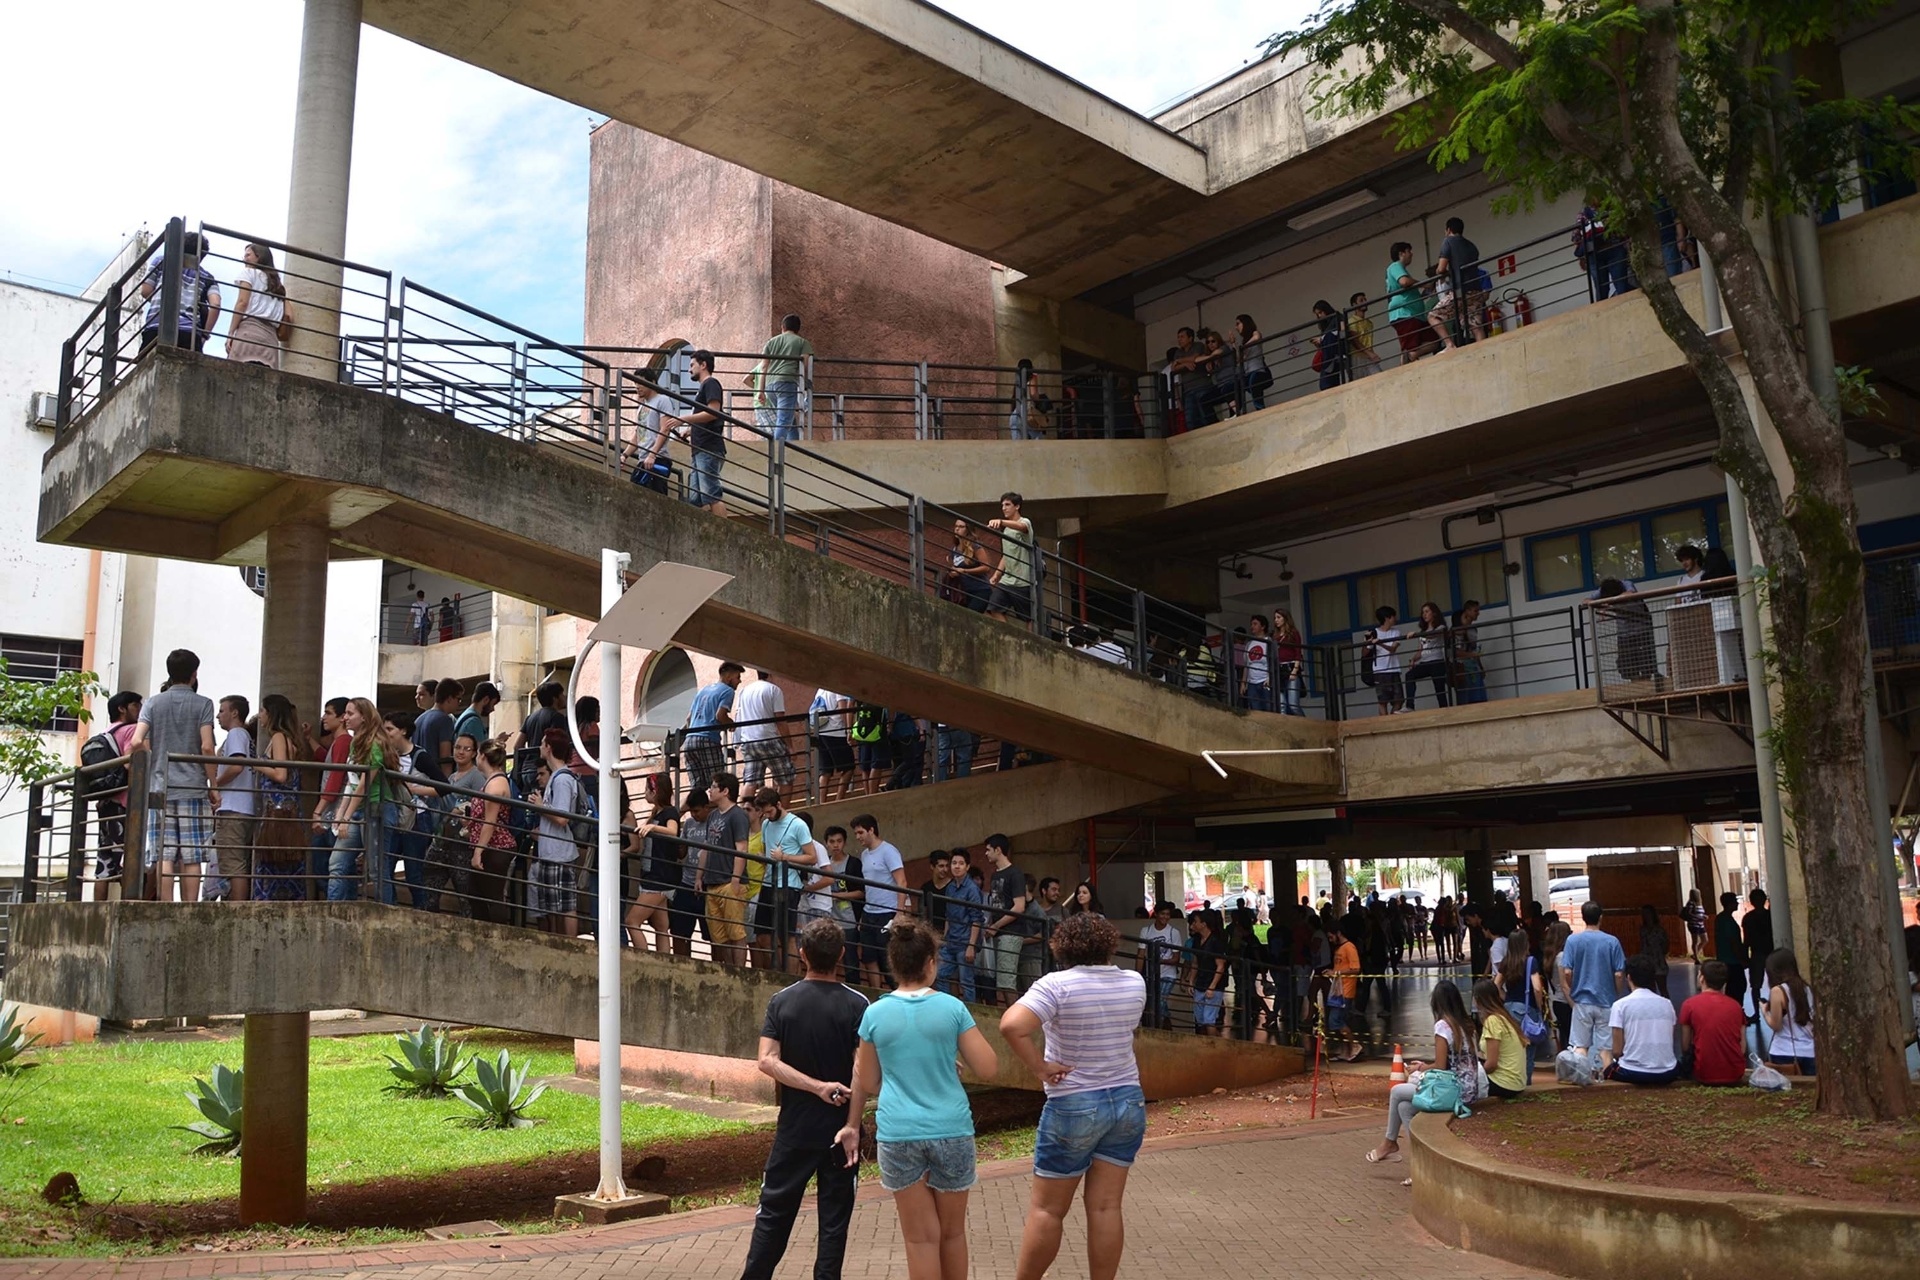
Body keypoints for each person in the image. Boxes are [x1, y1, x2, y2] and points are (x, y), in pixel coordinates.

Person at [835, 921, 999, 1280]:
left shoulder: (874, 1014)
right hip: (952, 1129)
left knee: (920, 1240)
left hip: (899, 1132)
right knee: (953, 1233)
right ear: (931, 962)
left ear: (894, 964)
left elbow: (872, 1081)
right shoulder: (952, 1008)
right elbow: (988, 1066)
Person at [1000, 912, 1147, 1280]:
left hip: (1074, 1102)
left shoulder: (1055, 985)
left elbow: (1012, 1025)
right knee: (1106, 1208)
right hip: (1127, 1099)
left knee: (1048, 1211)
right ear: (1108, 944)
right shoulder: (1134, 982)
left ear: (1062, 945)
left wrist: (1039, 1067)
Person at [740, 918, 867, 1280]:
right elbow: (863, 1071)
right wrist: (852, 1124)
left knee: (773, 1215)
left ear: (802, 954)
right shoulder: (859, 1004)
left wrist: (814, 1087)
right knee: (834, 1222)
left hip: (794, 1131)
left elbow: (767, 1060)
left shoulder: (782, 1002)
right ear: (842, 954)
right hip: (843, 1132)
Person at [129, 650, 219, 902]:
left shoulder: (152, 703)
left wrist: (156, 758)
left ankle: (165, 905)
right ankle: (190, 907)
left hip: (160, 786)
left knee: (164, 853)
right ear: (194, 674)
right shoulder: (203, 704)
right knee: (191, 855)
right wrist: (214, 785)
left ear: (169, 673)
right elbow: (207, 747)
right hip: (192, 787)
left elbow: (137, 741)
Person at [1369, 980, 1475, 1163]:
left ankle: (1389, 1142)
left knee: (1396, 1091)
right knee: (1404, 1108)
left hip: (1451, 1091)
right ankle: (1419, 1161)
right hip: (1467, 1090)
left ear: (1437, 1003)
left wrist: (1420, 1068)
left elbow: (1440, 1066)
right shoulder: (1465, 1025)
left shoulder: (1443, 1026)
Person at [250, 695, 308, 902]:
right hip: (287, 809)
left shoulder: (278, 737)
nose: (260, 715)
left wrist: (256, 764)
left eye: (263, 711)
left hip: (278, 810)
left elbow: (281, 774)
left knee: (272, 863)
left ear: (271, 713)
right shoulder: (288, 738)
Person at [524, 729, 581, 936]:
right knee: (554, 906)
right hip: (552, 850)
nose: (539, 746)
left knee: (565, 906)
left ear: (548, 747)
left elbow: (562, 817)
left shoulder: (562, 779)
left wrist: (540, 806)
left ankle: (570, 945)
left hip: (559, 852)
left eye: (542, 743)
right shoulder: (559, 777)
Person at [1558, 900, 1626, 1066]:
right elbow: (1618, 974)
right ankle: (1606, 1080)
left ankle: (1582, 1077)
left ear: (1583, 917)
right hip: (1606, 999)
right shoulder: (1612, 941)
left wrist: (1574, 987)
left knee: (1580, 1045)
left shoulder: (1572, 941)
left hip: (1582, 1000)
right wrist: (1616, 993)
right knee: (1605, 1048)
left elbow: (1567, 971)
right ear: (1600, 918)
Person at [89, 691, 143, 884]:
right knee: (131, 858)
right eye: (136, 705)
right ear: (122, 709)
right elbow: (130, 764)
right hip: (123, 803)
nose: (140, 709)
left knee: (104, 862)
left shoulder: (105, 733)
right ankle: (130, 906)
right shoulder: (131, 730)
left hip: (106, 802)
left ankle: (99, 910)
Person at [208, 695, 257, 902]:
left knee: (233, 864)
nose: (218, 716)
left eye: (222, 710)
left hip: (233, 807)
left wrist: (215, 783)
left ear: (234, 712)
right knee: (237, 862)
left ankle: (237, 910)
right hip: (243, 807)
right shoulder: (243, 735)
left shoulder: (237, 734)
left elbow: (237, 765)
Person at [465, 740, 519, 923]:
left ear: (482, 756)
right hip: (491, 845)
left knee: (492, 895)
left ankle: (499, 937)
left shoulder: (496, 784)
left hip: (496, 846)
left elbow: (491, 821)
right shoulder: (493, 781)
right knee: (476, 893)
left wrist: (478, 851)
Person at [139, 230, 221, 352]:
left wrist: (165, 301)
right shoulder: (207, 277)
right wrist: (205, 334)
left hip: (157, 325)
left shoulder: (161, 261)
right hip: (190, 332)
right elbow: (216, 304)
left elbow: (145, 291)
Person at [852, 814, 908, 988]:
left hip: (887, 912)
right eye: (856, 833)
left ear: (871, 830)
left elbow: (902, 881)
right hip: (869, 912)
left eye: (861, 832)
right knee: (869, 957)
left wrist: (899, 912)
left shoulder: (888, 851)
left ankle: (896, 993)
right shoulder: (864, 854)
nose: (858, 837)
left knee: (887, 959)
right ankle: (875, 994)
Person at [1605, 954, 1678, 1085]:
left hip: (1633, 1071)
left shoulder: (1620, 1005)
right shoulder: (1667, 1004)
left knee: (1605, 1057)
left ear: (1629, 977)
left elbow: (1617, 1051)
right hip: (1668, 1071)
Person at [1677, 959, 1746, 1085]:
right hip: (1735, 1072)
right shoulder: (1736, 1006)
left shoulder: (1689, 1004)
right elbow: (1742, 1048)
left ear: (1702, 978)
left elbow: (1685, 1046)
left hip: (1703, 1073)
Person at [980, 834, 1029, 1007]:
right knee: (1001, 978)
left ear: (998, 850)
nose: (986, 854)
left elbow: (1019, 907)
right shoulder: (994, 875)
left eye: (988, 849)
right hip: (998, 931)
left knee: (1006, 979)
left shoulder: (1015, 873)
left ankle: (1013, 1015)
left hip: (1011, 931)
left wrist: (995, 925)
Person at [679, 350, 730, 517]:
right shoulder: (705, 386)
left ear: (703, 365)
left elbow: (713, 411)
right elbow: (708, 416)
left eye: (692, 365)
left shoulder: (710, 383)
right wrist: (690, 429)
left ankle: (725, 536)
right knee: (696, 499)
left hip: (708, 449)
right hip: (701, 449)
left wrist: (685, 419)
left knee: (711, 494)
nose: (689, 369)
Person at [683, 662, 742, 796]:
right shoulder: (728, 691)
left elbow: (688, 719)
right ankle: (717, 815)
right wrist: (731, 724)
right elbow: (720, 715)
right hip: (707, 739)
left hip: (689, 740)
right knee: (718, 783)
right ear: (728, 677)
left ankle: (682, 813)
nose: (739, 681)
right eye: (737, 677)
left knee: (696, 789)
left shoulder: (703, 690)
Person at [934, 850, 985, 1002]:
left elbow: (977, 919)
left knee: (966, 981)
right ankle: (950, 1007)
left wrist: (971, 945)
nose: (957, 867)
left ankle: (970, 1013)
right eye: (954, 863)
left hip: (965, 941)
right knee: (940, 974)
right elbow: (948, 916)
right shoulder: (950, 887)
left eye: (961, 863)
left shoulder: (972, 889)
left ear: (967, 867)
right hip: (951, 940)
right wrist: (944, 937)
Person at [226, 242, 287, 368]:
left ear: (259, 257)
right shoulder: (279, 287)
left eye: (248, 255)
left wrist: (231, 333)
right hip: (270, 341)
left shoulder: (249, 273)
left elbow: (242, 303)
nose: (244, 259)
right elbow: (288, 315)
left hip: (248, 335)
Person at [754, 314, 812, 442]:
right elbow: (805, 364)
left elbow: (764, 366)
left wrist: (761, 390)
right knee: (784, 420)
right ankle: (775, 452)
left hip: (770, 385)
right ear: (798, 329)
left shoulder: (771, 342)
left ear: (783, 327)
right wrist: (805, 385)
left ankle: (794, 448)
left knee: (789, 420)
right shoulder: (802, 342)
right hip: (786, 382)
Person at [735, 671, 792, 797]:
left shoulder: (745, 691)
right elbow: (780, 719)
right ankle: (782, 814)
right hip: (768, 739)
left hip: (748, 741)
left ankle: (744, 814)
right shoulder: (774, 690)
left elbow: (738, 716)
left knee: (750, 782)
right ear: (771, 674)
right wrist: (790, 746)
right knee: (786, 779)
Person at [1762, 948, 1817, 1076]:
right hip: (1810, 1050)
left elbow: (1776, 1025)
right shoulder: (1807, 988)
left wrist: (1764, 1012)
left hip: (1784, 1051)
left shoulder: (1778, 991)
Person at [984, 493, 1035, 624]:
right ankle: (1013, 636)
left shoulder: (1024, 522)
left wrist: (1000, 521)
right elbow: (1006, 555)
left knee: (1028, 619)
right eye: (1002, 505)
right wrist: (997, 574)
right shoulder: (1006, 530)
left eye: (1007, 505)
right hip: (1007, 580)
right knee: (993, 608)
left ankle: (1030, 642)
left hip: (1023, 581)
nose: (1004, 508)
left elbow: (1022, 528)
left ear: (1017, 506)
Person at [1384, 241, 1438, 363]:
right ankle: (1408, 362)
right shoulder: (1395, 266)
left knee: (1433, 341)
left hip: (1414, 314)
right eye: (1409, 251)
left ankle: (1412, 356)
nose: (1411, 254)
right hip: (1405, 314)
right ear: (1401, 253)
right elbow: (1404, 282)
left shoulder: (1399, 268)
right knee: (1408, 347)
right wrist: (1423, 284)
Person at [1434, 216, 1485, 343]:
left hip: (1459, 290)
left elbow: (1441, 269)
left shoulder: (1448, 242)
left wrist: (1442, 272)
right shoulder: (1472, 246)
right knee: (1475, 325)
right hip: (1476, 289)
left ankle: (1449, 345)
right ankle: (1484, 350)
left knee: (1433, 316)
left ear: (1448, 230)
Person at [1137, 901, 1184, 1029]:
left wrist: (1159, 961)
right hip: (1151, 975)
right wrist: (1138, 975)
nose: (1165, 917)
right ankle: (1168, 1028)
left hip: (1168, 974)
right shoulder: (1146, 931)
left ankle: (1158, 1032)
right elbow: (1141, 955)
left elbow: (1176, 958)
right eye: (1162, 914)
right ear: (1156, 914)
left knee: (1158, 1002)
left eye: (1168, 914)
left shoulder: (1173, 932)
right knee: (1157, 1003)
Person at [1405, 602, 1451, 710]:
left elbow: (1433, 635)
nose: (1424, 614)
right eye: (1423, 612)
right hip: (1425, 662)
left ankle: (1445, 711)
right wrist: (1413, 659)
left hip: (1436, 662)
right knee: (1409, 675)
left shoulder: (1441, 627)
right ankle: (1409, 706)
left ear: (1434, 613)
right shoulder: (1423, 632)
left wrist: (1416, 634)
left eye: (1427, 611)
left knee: (1439, 690)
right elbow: (1420, 651)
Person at [943, 519, 992, 612]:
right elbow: (957, 568)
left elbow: (986, 567)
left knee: (971, 616)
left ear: (968, 530)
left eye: (961, 527)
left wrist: (965, 571)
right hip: (963, 591)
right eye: (956, 526)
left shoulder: (975, 546)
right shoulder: (954, 550)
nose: (957, 529)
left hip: (980, 589)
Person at [1713, 891, 1749, 1007]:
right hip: (1732, 960)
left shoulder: (1720, 918)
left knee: (1733, 987)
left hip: (1724, 958)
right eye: (1735, 901)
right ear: (1730, 904)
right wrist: (1742, 959)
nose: (1737, 904)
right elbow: (1733, 942)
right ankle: (1737, 1011)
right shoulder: (1727, 921)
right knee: (1738, 987)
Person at [1231, 314, 1272, 411]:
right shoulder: (1243, 342)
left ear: (1245, 323)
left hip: (1258, 371)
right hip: (1248, 373)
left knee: (1253, 382)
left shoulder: (1255, 333)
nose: (1236, 327)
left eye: (1238, 324)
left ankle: (1260, 408)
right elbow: (1239, 359)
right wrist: (1233, 343)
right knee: (1237, 385)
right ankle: (1236, 412)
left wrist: (1244, 347)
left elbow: (1257, 337)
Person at [1368, 605, 1404, 715]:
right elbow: (1365, 653)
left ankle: (1390, 720)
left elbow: (1393, 649)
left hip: (1394, 669)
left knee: (1399, 700)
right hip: (1380, 671)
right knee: (1382, 701)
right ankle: (1384, 723)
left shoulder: (1396, 632)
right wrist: (1367, 642)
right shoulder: (1374, 632)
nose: (1395, 619)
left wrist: (1380, 643)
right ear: (1387, 618)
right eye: (1394, 616)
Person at [1743, 888, 1775, 1005]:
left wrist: (1745, 957)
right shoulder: (1771, 917)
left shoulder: (1748, 918)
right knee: (1775, 983)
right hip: (1770, 952)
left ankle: (1757, 1013)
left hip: (1757, 954)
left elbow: (1746, 940)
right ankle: (1778, 1008)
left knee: (1755, 986)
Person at [1451, 601, 1487, 704]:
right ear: (1467, 612)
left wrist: (1480, 667)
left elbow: (1474, 649)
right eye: (1475, 611)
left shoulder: (1473, 629)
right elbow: (1455, 652)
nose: (1478, 613)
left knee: (1479, 698)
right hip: (1462, 667)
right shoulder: (1456, 632)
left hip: (1474, 667)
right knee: (1466, 697)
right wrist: (1473, 655)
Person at [1271, 610, 1305, 716]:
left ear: (1285, 618)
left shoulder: (1293, 633)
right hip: (1279, 670)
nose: (1276, 620)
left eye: (1278, 617)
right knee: (1281, 705)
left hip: (1290, 667)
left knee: (1293, 705)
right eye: (1275, 618)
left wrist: (1295, 669)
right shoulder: (1275, 636)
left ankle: (1306, 725)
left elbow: (1298, 652)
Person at [1236, 613, 1273, 712]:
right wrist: (1243, 683)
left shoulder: (1269, 642)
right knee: (1255, 710)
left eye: (1255, 624)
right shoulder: (1249, 644)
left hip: (1264, 681)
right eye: (1251, 624)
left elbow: (1272, 661)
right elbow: (1246, 665)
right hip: (1252, 683)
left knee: (1268, 709)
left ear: (1263, 626)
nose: (1252, 626)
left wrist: (1270, 677)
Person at [1310, 300, 1347, 390]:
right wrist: (1319, 343)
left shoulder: (1337, 317)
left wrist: (1323, 339)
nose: (1319, 316)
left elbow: (1343, 333)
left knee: (1327, 383)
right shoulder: (1324, 324)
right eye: (1317, 314)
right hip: (1327, 356)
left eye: (1320, 312)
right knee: (1327, 384)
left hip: (1336, 354)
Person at [1346, 292, 1384, 376]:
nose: (1364, 302)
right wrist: (1370, 354)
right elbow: (1355, 341)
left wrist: (1371, 354)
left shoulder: (1369, 323)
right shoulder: (1352, 321)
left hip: (1368, 356)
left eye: (1365, 300)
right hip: (1357, 357)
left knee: (1379, 376)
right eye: (1361, 300)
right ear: (1354, 304)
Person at [1638, 904, 1671, 997]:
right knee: (1650, 989)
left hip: (1659, 963)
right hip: (1647, 963)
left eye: (1648, 914)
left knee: (1663, 989)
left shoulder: (1659, 930)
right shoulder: (1643, 930)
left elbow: (1666, 945)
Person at [1680, 890, 1707, 963]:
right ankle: (1697, 958)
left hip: (1701, 924)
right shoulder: (1691, 903)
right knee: (1695, 941)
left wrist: (1703, 916)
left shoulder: (1699, 904)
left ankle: (1695, 954)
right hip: (1693, 924)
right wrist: (1698, 917)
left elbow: (1700, 913)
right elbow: (1689, 913)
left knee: (1705, 939)